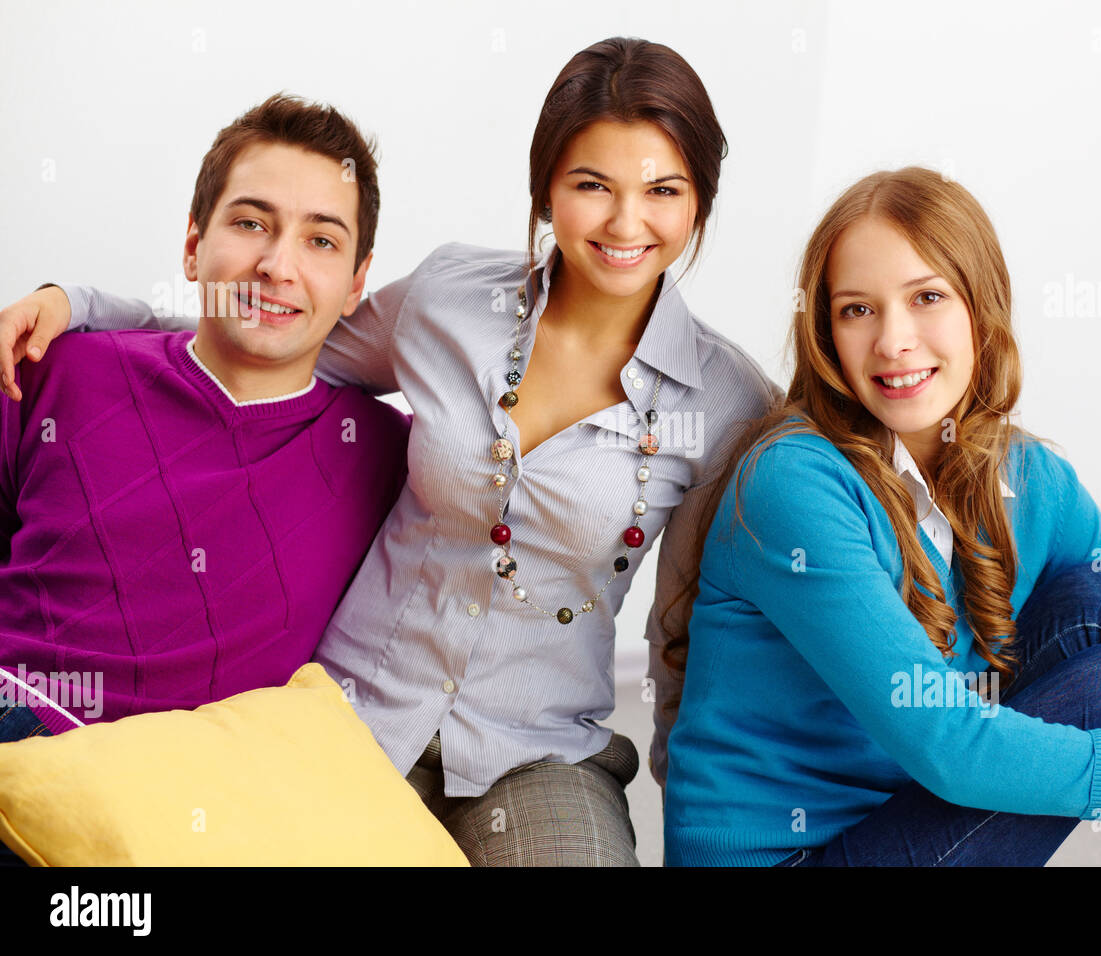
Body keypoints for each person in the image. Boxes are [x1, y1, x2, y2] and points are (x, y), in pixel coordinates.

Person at [0, 39, 781, 866]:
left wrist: (698, 819)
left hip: (537, 746)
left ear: (699, 201)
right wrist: (76, 305)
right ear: (547, 189)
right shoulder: (452, 299)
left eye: (664, 191)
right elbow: (277, 337)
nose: (627, 224)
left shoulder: (725, 401)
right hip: (346, 713)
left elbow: (686, 629)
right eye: (593, 186)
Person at [659, 167, 1101, 867]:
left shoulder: (1030, 479)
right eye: (857, 309)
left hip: (910, 827)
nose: (893, 341)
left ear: (979, 307)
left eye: (926, 297)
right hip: (795, 858)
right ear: (825, 332)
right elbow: (948, 744)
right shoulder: (795, 483)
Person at [0, 95, 410, 870]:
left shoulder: (389, 457)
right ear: (193, 247)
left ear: (357, 286)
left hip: (171, 810)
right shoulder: (53, 370)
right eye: (251, 223)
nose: (278, 265)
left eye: (321, 240)